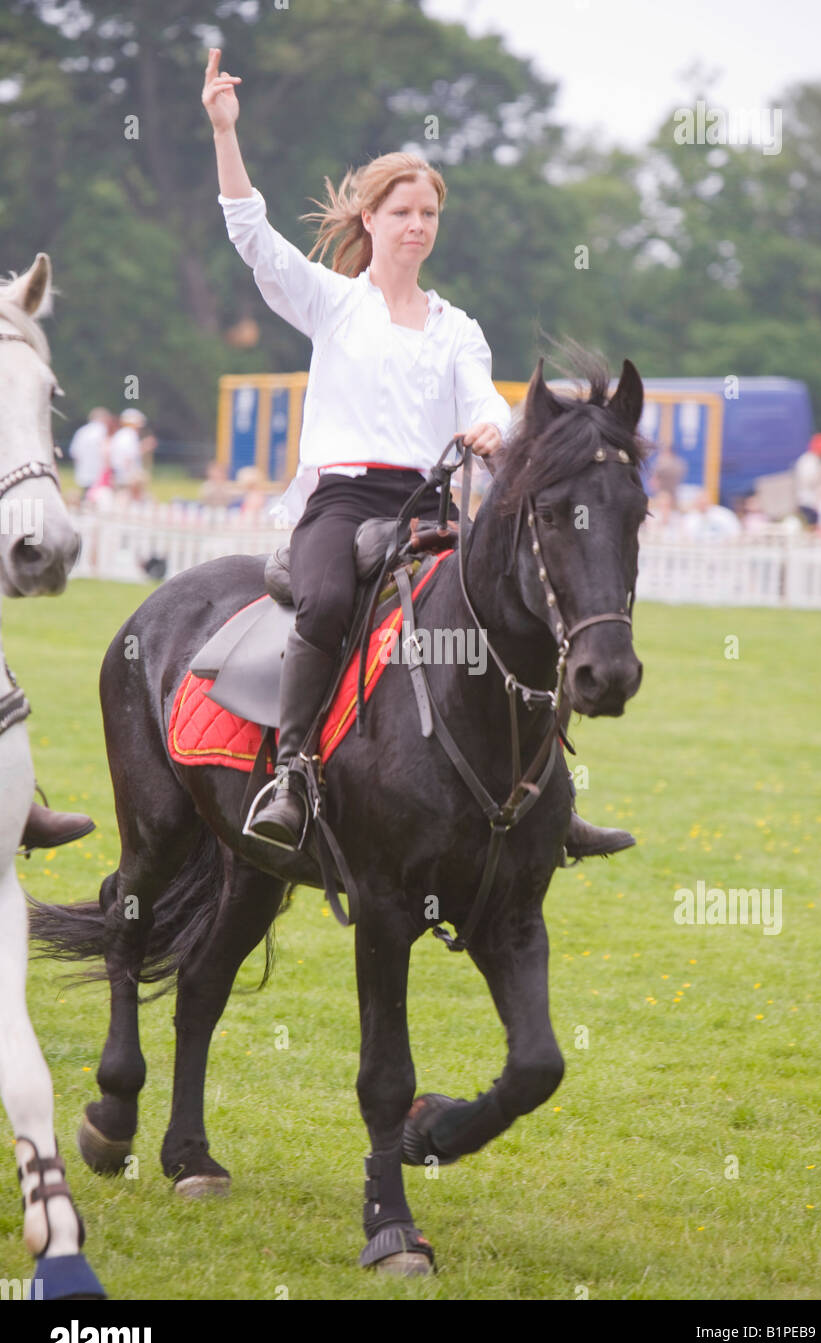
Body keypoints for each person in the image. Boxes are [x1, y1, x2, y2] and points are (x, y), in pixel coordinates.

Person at [203, 48, 633, 861]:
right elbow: (252, 237)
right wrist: (226, 132)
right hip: (341, 505)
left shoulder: (457, 327)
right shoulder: (332, 303)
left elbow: (487, 408)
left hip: (432, 508)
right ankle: (292, 774)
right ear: (370, 220)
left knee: (520, 613)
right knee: (326, 603)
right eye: (402, 212)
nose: (416, 226)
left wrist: (491, 432)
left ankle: (551, 797)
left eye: (429, 214)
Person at [793, 432, 821, 526]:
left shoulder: (814, 460)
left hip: (813, 501)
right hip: (808, 502)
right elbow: (809, 481)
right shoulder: (808, 461)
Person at [68, 407, 111, 491]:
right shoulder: (103, 430)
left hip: (84, 473)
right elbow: (107, 451)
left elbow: (74, 453)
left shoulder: (82, 431)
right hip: (100, 473)